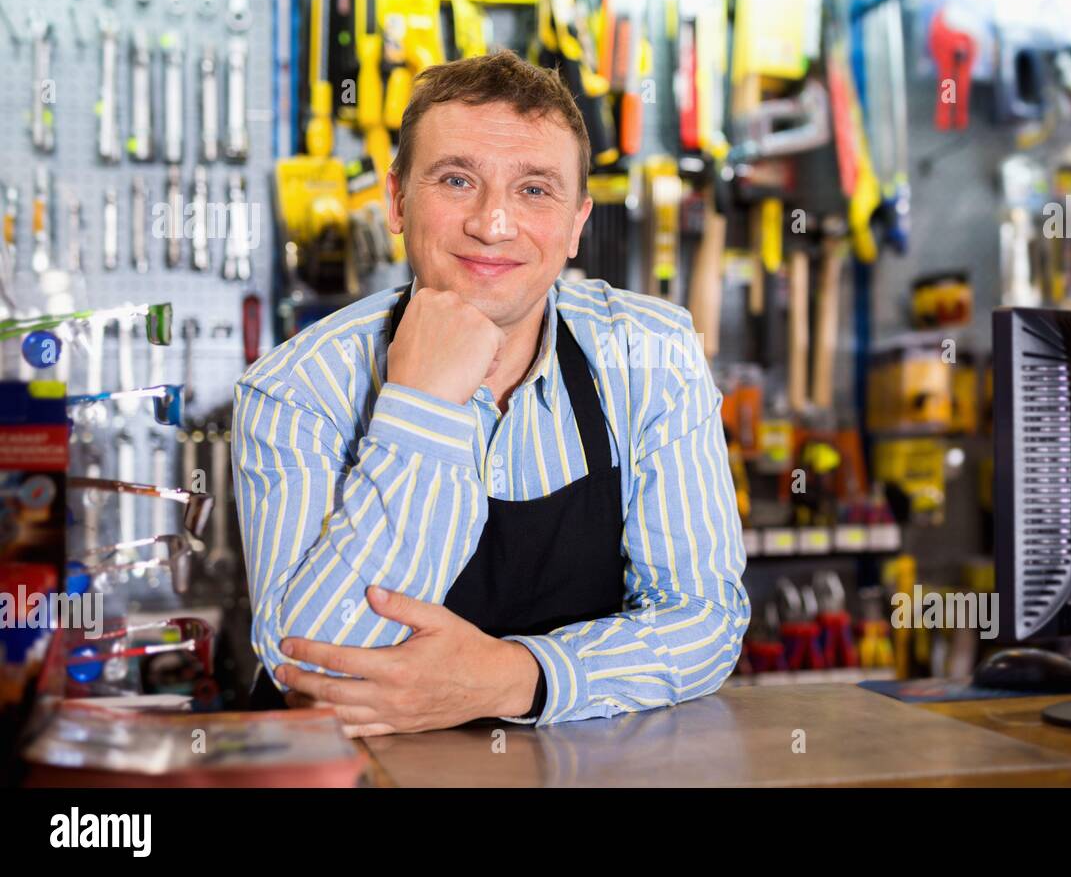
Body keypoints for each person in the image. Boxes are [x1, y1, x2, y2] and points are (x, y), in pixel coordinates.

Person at [232, 50, 750, 735]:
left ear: (576, 226)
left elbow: (706, 620)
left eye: (535, 189)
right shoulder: (295, 389)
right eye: (456, 180)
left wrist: (513, 678)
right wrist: (422, 408)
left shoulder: (650, 353)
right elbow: (316, 677)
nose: (493, 223)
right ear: (396, 200)